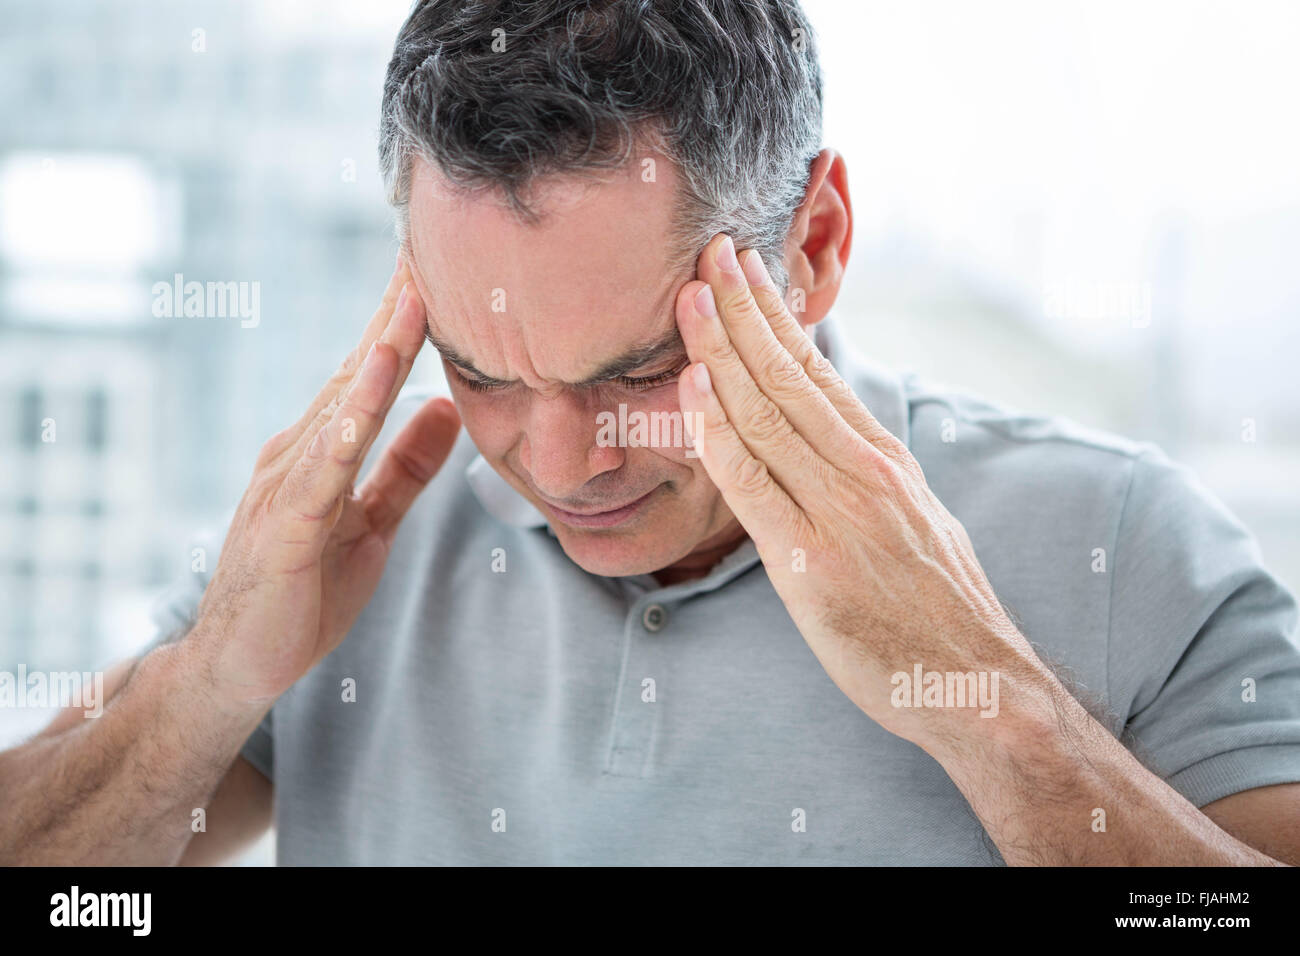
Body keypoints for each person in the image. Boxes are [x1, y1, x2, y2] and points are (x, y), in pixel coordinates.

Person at [4, 0, 1299, 866]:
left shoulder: (1121, 546)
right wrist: (213, 676)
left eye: (645, 368)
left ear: (819, 246)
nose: (560, 469)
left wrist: (990, 708)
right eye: (481, 369)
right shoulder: (347, 546)